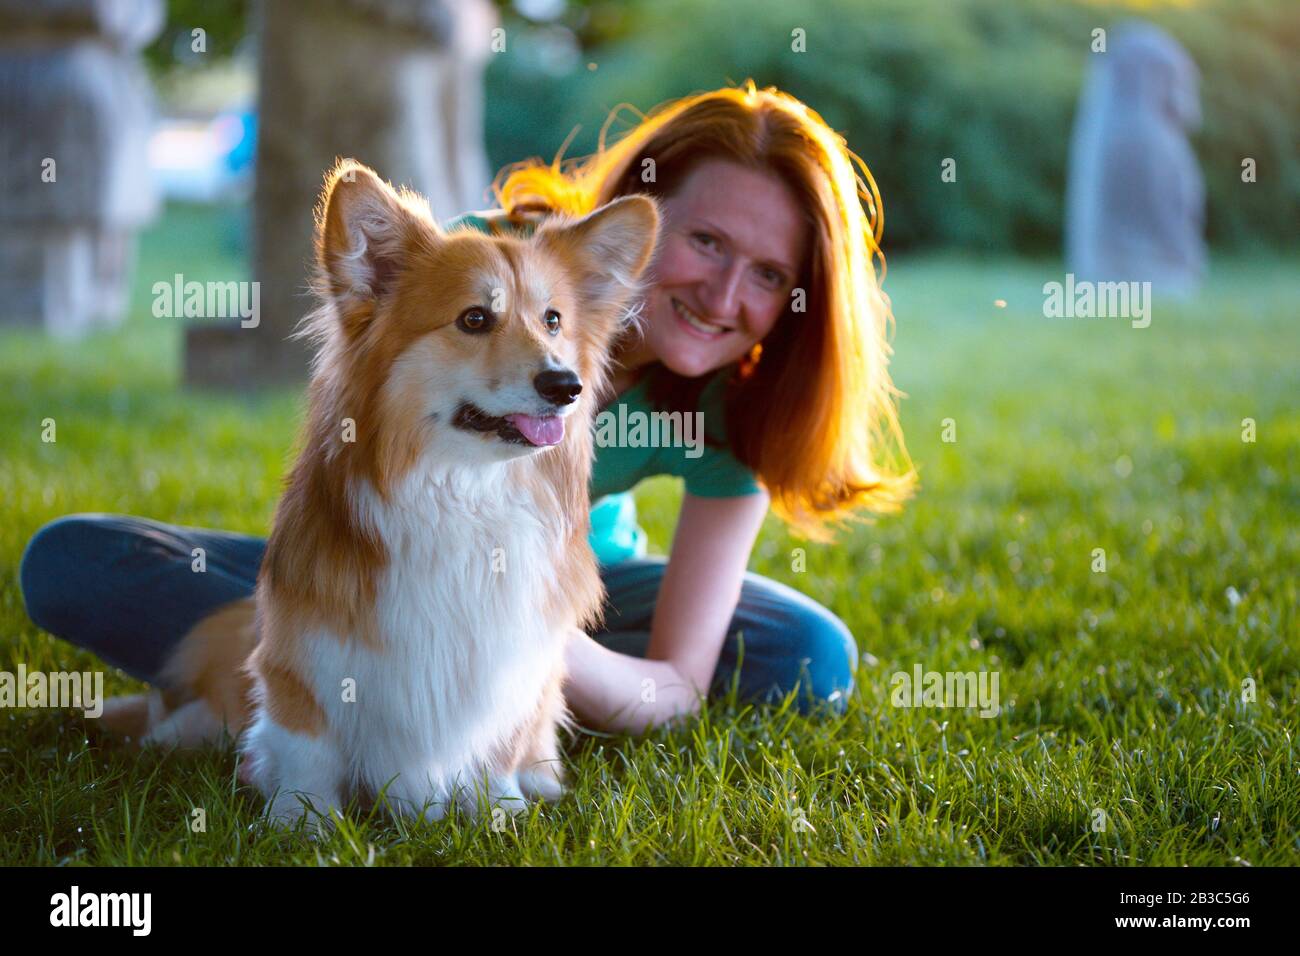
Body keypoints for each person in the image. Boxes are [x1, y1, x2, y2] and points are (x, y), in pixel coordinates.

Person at [19, 82, 915, 735]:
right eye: (707, 241)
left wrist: (532, 639)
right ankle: (324, 679)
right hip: (379, 568)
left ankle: (324, 697)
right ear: (640, 211)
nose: (724, 294)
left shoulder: (740, 411)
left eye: (769, 274)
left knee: (806, 652)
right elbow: (356, 452)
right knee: (73, 562)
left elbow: (677, 681)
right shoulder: (478, 269)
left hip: (578, 600)